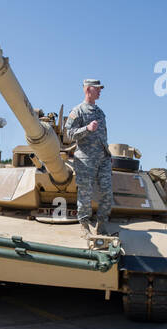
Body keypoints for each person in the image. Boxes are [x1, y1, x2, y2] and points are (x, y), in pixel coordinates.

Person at [62, 78, 110, 236]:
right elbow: (68, 134)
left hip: (103, 158)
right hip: (85, 158)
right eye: (97, 88)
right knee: (85, 193)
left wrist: (107, 154)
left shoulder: (100, 112)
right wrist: (87, 129)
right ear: (89, 89)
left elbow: (103, 136)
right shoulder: (78, 111)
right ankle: (84, 226)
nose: (100, 91)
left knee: (107, 192)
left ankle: (101, 225)